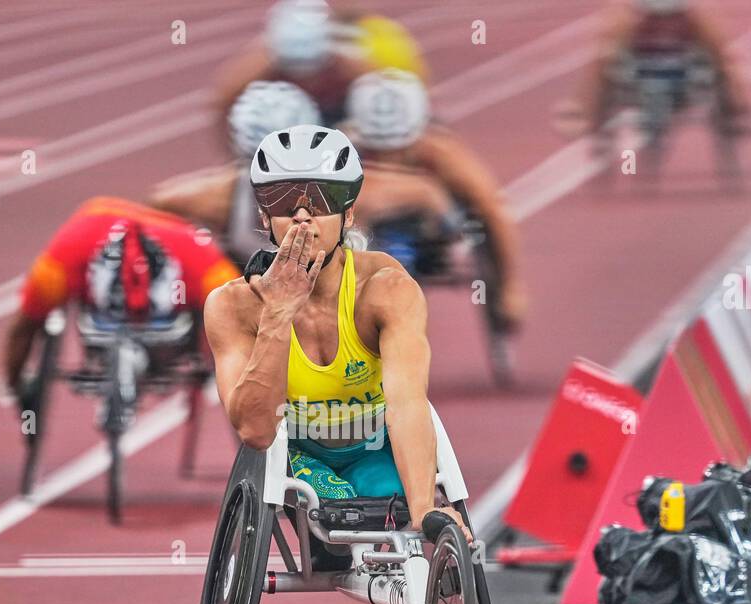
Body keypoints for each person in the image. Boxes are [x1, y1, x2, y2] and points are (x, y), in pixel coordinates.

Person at [203, 124, 470, 541]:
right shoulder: (231, 307)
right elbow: (255, 431)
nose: (303, 214)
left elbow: (407, 403)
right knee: (330, 510)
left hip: (374, 448)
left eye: (322, 199)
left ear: (348, 214)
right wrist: (278, 312)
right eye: (285, 200)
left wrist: (424, 510)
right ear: (263, 216)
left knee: (388, 503)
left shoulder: (385, 290)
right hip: (298, 456)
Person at [151, 79, 454, 267]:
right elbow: (159, 205)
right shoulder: (214, 197)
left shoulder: (358, 187)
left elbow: (428, 194)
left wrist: (436, 233)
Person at [0, 197, 239, 402]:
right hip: (97, 222)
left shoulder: (207, 266)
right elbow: (25, 325)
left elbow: (244, 324)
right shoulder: (61, 262)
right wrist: (16, 385)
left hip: (174, 245)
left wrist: (223, 369)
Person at [342, 69, 527, 330]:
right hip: (371, 221)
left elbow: (493, 209)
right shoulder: (343, 147)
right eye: (378, 151)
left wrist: (510, 286)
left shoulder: (442, 151)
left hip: (435, 224)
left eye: (400, 149)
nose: (389, 158)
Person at [213, 0, 428, 141]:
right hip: (289, 120)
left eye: (313, 69)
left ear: (327, 53)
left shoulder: (351, 67)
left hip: (339, 116)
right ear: (278, 57)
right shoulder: (256, 67)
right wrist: (233, 153)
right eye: (295, 69)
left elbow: (394, 97)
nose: (306, 79)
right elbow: (222, 104)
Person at [561, 0, 750, 138]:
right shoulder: (627, 18)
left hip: (682, 72)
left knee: (724, 56)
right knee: (604, 52)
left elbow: (719, 52)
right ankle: (583, 107)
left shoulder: (696, 16)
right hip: (640, 71)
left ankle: (737, 106)